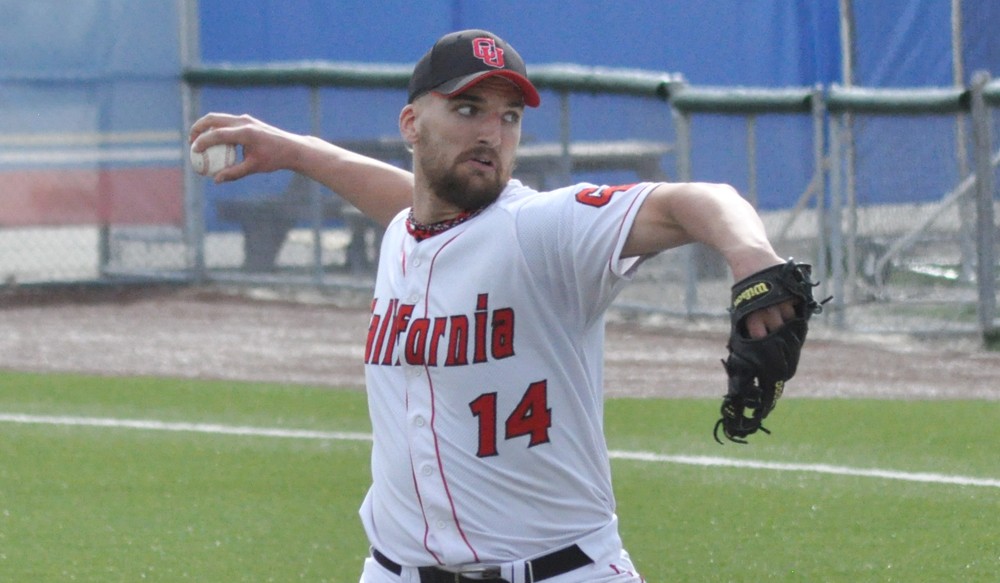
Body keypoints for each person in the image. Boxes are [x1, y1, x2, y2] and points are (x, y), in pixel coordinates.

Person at [191, 29, 796, 583]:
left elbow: (697, 199)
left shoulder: (542, 230)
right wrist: (294, 150)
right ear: (410, 123)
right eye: (466, 108)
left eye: (509, 117)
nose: (491, 132)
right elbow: (406, 201)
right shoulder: (406, 230)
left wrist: (749, 254)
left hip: (559, 571)